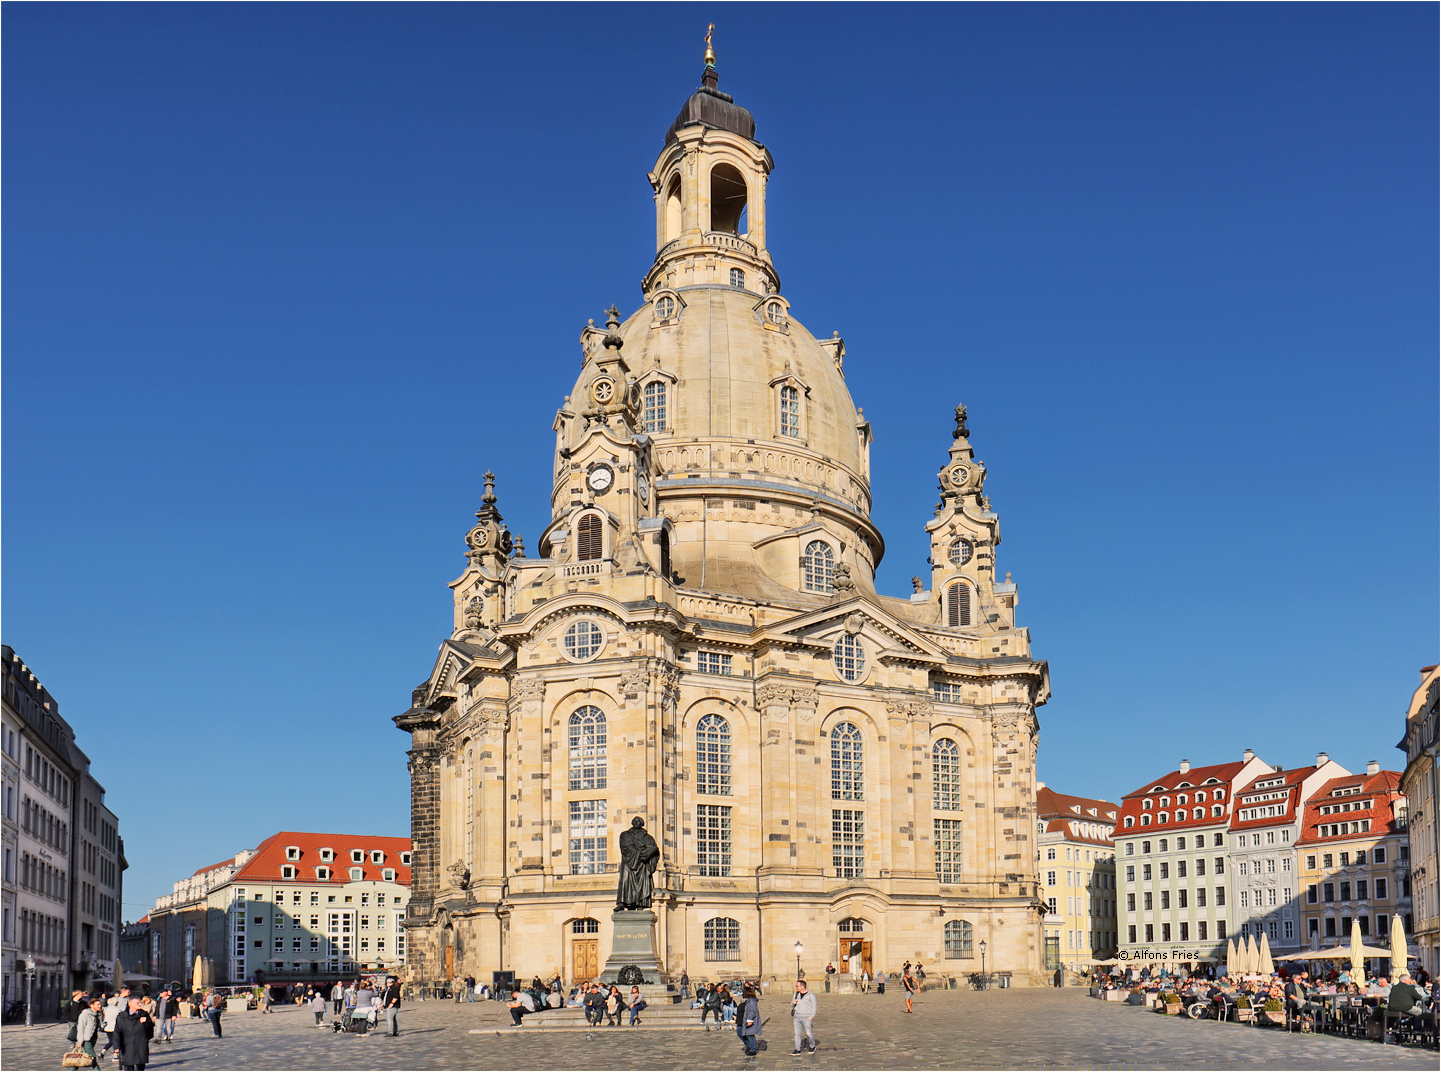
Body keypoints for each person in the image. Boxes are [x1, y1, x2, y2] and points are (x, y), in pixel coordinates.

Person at [115, 995, 155, 1071]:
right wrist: (116, 1046)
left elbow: (151, 1027)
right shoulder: (122, 1016)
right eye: (137, 1003)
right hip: (127, 1044)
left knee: (140, 1065)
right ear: (130, 1004)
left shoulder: (144, 1014)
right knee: (128, 1065)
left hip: (141, 1043)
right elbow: (117, 1031)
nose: (140, 1004)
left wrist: (146, 1023)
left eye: (140, 1003)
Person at [76, 996, 105, 1069]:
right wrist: (80, 1040)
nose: (100, 1006)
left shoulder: (99, 1014)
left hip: (94, 1038)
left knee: (81, 1056)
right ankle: (97, 1070)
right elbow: (81, 1027)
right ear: (91, 1005)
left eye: (100, 1004)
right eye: (97, 1004)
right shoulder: (85, 1014)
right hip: (86, 1039)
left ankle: (73, 1069)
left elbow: (100, 1025)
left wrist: (104, 1024)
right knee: (92, 1056)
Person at [790, 979, 817, 1055]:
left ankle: (812, 1046)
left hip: (807, 1017)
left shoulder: (811, 995)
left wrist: (811, 1016)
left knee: (808, 1033)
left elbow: (814, 1006)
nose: (796, 987)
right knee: (797, 1034)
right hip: (797, 1017)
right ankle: (797, 1049)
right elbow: (791, 1004)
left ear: (802, 986)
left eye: (797, 986)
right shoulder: (796, 994)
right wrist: (792, 1003)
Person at [736, 984, 761, 1057]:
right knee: (739, 1032)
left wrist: (749, 1020)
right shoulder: (744, 1001)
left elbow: (752, 1011)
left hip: (747, 1021)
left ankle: (753, 1049)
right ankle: (749, 1045)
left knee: (750, 1035)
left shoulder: (751, 1001)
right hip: (741, 1021)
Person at [101, 994, 124, 1061]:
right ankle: (115, 1055)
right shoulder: (117, 1010)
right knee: (116, 1041)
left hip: (107, 1027)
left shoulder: (105, 1009)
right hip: (115, 1027)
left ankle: (103, 1051)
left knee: (112, 1041)